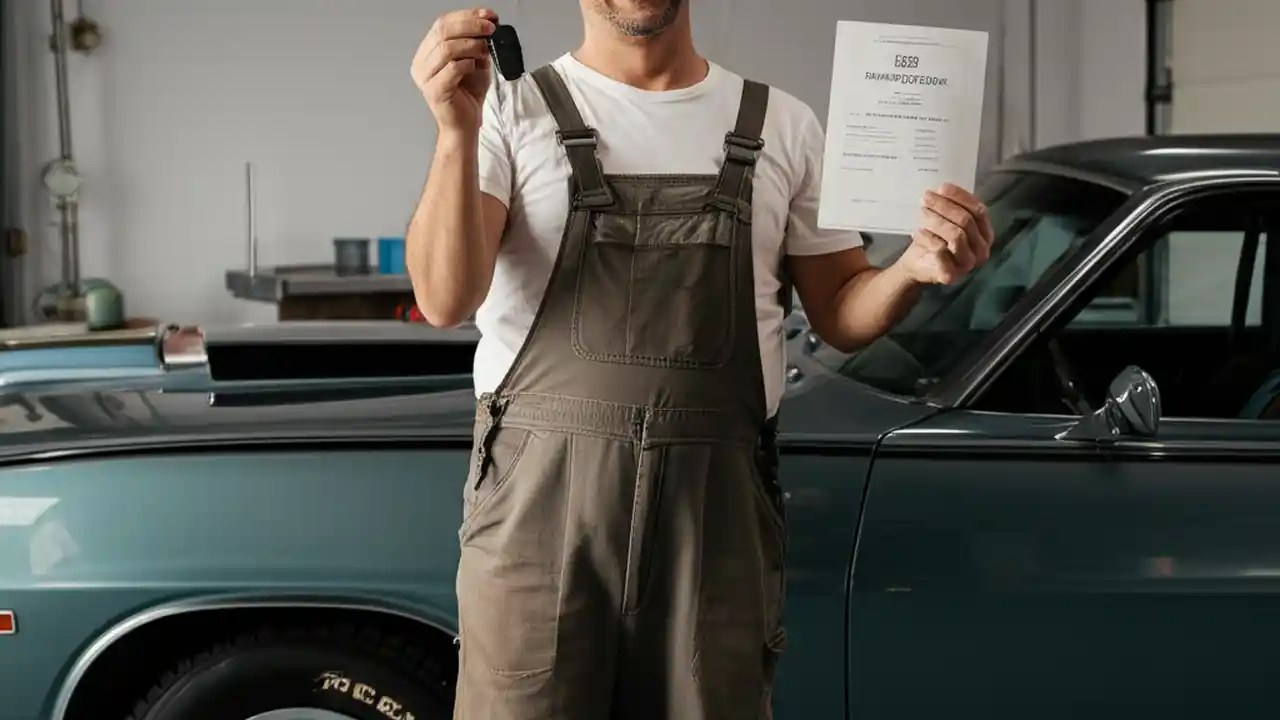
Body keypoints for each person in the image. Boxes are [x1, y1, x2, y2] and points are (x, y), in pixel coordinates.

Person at [406, 1, 994, 717]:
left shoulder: (783, 126)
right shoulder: (508, 108)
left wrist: (913, 271)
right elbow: (443, 296)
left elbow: (841, 308)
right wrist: (453, 132)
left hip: (712, 524)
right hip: (538, 520)